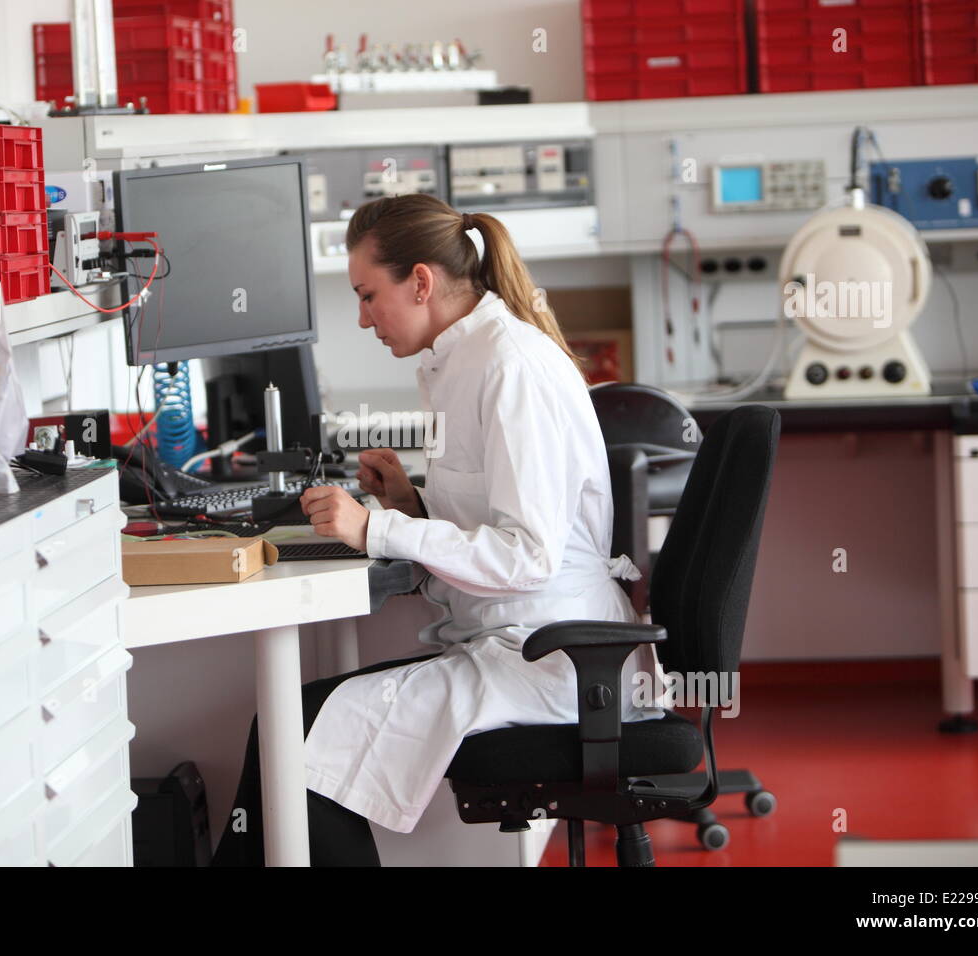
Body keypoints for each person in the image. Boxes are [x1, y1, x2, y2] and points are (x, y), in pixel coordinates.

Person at [211, 194, 665, 866]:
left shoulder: (509, 365)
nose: (362, 318)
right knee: (294, 724)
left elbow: (530, 555)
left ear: (420, 281)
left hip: (555, 660)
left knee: (297, 731)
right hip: (518, 641)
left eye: (368, 296)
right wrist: (409, 502)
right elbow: (498, 514)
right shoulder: (461, 360)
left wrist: (379, 531)